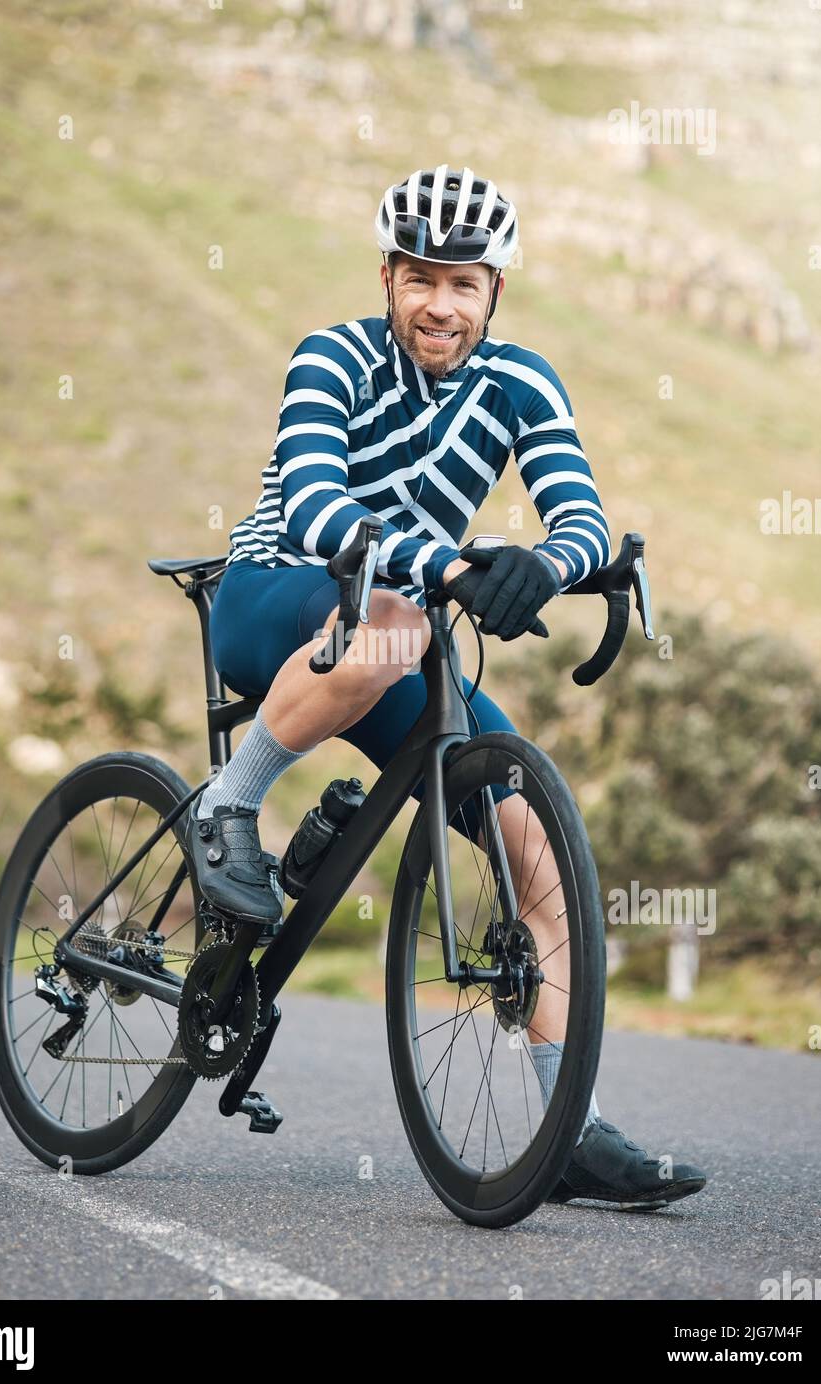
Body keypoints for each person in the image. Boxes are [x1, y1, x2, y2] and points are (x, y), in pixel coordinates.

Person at [184, 165, 706, 1208]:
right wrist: (456, 565)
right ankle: (225, 805)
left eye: (463, 283)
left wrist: (547, 564)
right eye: (421, 277)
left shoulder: (522, 384)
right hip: (278, 594)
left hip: (401, 629)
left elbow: (583, 515)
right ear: (387, 276)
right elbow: (318, 508)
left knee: (539, 850)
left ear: (493, 294)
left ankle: (568, 1129)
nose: (440, 303)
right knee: (392, 623)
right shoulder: (330, 357)